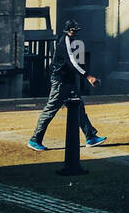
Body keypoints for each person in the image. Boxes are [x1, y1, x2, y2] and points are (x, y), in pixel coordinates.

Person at [28, 19, 107, 151]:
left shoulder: (72, 41)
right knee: (50, 110)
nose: (76, 33)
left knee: (79, 107)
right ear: (69, 30)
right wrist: (88, 76)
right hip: (60, 82)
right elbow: (72, 62)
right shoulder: (65, 42)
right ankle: (35, 139)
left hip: (68, 82)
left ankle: (90, 136)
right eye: (74, 30)